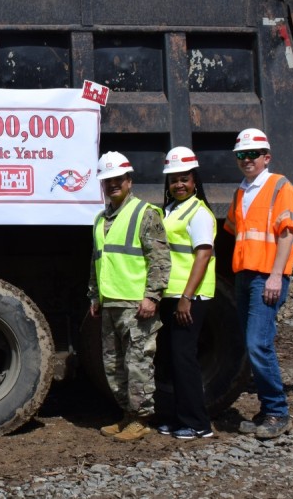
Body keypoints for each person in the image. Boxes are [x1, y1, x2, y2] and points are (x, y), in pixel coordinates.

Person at [88, 151, 170, 442]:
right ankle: (127, 415)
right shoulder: (101, 219)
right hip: (110, 303)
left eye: (118, 179)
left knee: (138, 364)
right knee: (113, 365)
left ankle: (141, 418)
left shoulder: (145, 214)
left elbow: (159, 259)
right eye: (107, 181)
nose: (113, 185)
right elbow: (97, 260)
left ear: (129, 181)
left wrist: (152, 297)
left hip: (136, 306)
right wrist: (95, 295)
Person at [224, 128, 293, 440]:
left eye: (253, 154)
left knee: (259, 344)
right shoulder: (241, 191)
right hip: (245, 276)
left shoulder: (280, 186)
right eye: (241, 155)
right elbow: (232, 229)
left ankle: (278, 412)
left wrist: (276, 276)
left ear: (266, 157)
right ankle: (267, 411)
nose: (247, 160)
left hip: (266, 278)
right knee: (251, 343)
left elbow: (288, 233)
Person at [153, 147, 216, 440]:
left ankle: (197, 423)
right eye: (174, 179)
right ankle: (177, 417)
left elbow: (202, 256)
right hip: (171, 294)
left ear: (195, 181)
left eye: (184, 179)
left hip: (191, 297)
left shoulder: (198, 212)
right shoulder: (169, 211)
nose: (179, 184)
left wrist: (186, 298)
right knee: (170, 357)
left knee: (184, 358)